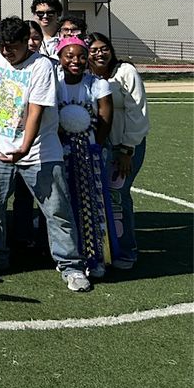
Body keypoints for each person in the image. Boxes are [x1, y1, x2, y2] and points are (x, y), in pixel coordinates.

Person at [0, 17, 89, 291]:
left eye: (13, 47)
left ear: (26, 43)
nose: (7, 52)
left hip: (40, 152)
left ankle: (71, 266)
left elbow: (35, 111)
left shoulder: (41, 65)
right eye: (3, 46)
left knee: (56, 211)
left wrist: (24, 147)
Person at [87, 32, 149, 270]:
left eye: (104, 48)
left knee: (118, 196)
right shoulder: (86, 76)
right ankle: (105, 249)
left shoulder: (126, 72)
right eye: (93, 50)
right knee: (98, 198)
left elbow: (138, 112)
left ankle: (126, 250)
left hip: (124, 146)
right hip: (99, 145)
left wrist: (127, 149)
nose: (99, 54)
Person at [54, 36, 113, 278]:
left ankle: (95, 257)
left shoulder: (97, 84)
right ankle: (68, 256)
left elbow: (105, 117)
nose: (75, 61)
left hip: (89, 154)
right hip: (58, 152)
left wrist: (94, 146)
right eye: (69, 56)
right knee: (62, 205)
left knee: (91, 205)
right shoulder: (54, 83)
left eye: (80, 55)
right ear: (60, 58)